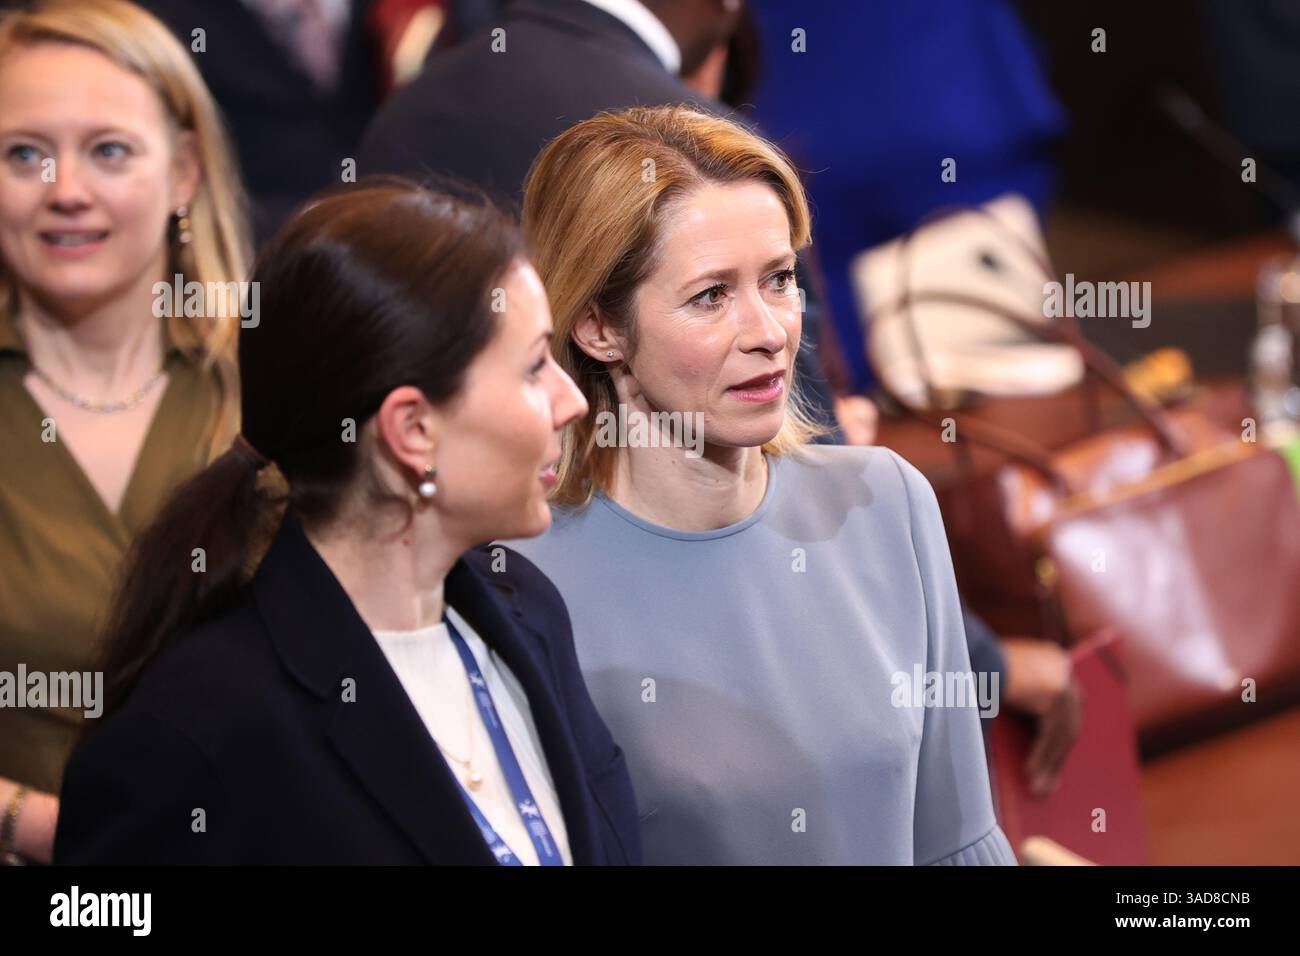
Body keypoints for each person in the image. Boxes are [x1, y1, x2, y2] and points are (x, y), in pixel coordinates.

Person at [53, 180, 640, 865]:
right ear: (413, 430)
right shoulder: (196, 732)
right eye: (535, 365)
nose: (570, 400)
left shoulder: (528, 615)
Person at [504, 105, 1017, 864]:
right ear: (598, 327)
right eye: (711, 295)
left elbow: (960, 842)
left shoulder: (887, 503)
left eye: (779, 280)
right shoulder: (521, 583)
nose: (770, 331)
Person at [0, 0, 249, 866]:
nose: (64, 188)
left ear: (184, 172)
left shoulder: (277, 387)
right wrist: (34, 826)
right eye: (24, 153)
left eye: (108, 150)